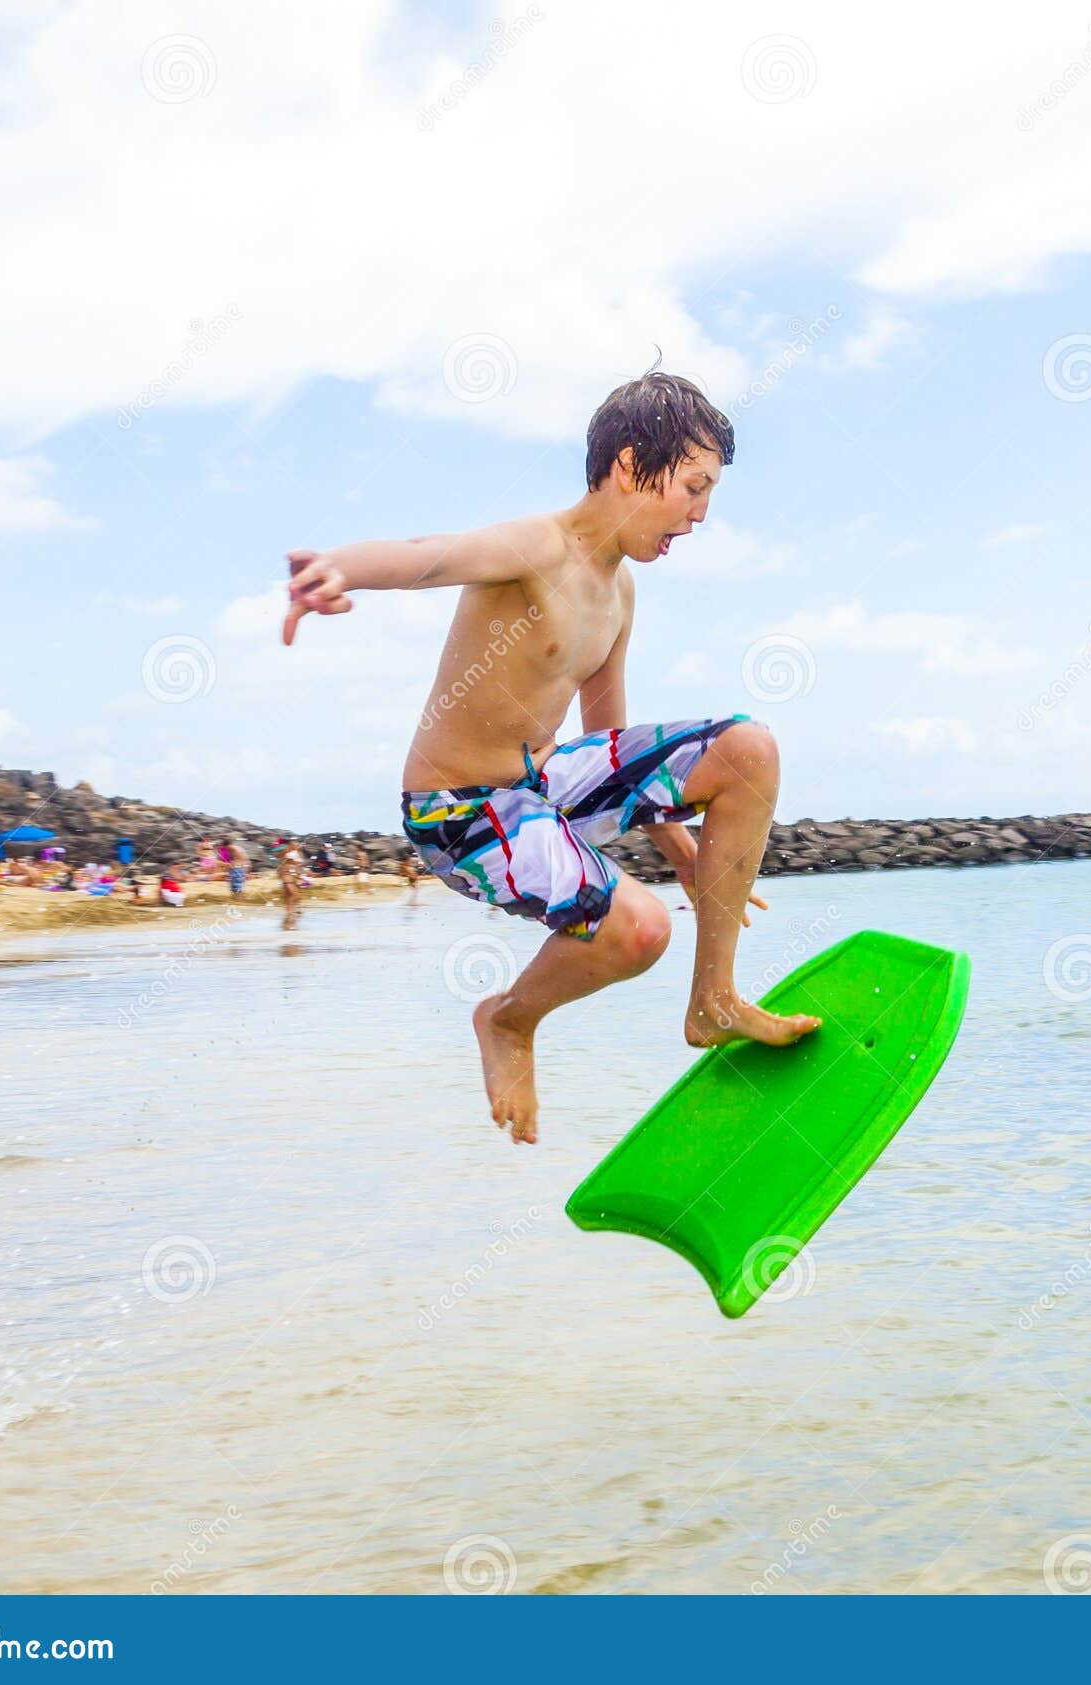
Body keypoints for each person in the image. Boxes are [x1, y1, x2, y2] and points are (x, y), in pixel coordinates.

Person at [281, 370, 819, 1145]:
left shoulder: (620, 591)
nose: (700, 516)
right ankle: (508, 1018)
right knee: (638, 930)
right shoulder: (540, 546)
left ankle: (715, 1001)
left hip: (545, 782)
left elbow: (610, 737)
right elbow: (429, 555)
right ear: (633, 466)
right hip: (460, 811)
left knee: (748, 751)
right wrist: (339, 569)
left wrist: (682, 848)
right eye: (693, 487)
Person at [275, 837, 305, 930]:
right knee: (291, 893)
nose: (296, 845)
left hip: (294, 873)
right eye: (293, 843)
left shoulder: (296, 851)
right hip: (286, 872)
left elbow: (300, 862)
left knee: (292, 894)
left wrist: (300, 874)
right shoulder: (283, 850)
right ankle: (290, 913)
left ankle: (291, 913)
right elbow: (278, 856)